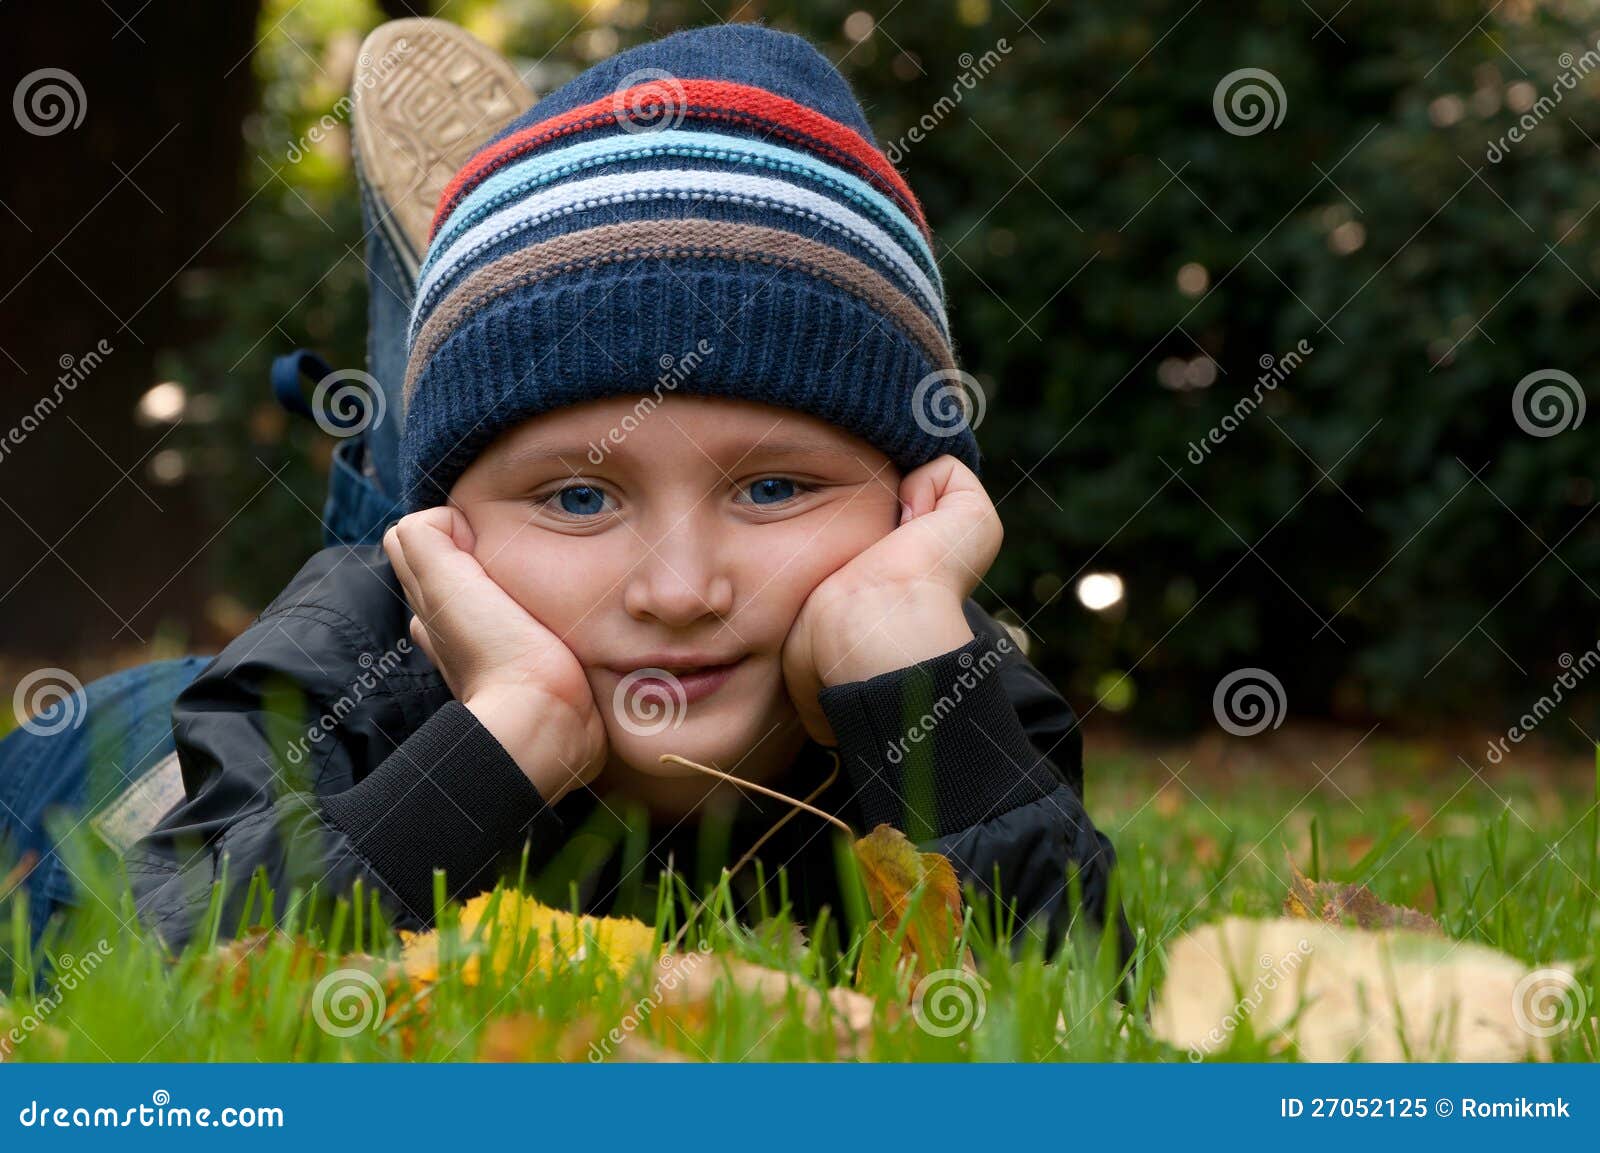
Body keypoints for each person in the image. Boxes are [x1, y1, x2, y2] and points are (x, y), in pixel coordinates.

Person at [1, 21, 1135, 981]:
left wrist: (924, 694)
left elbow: (1070, 997)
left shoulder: (934, 662)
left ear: (910, 507)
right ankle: (412, 453)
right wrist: (507, 733)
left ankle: (460, 389)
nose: (682, 592)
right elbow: (158, 960)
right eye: (584, 497)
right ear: (450, 542)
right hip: (140, 744)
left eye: (776, 486)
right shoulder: (333, 655)